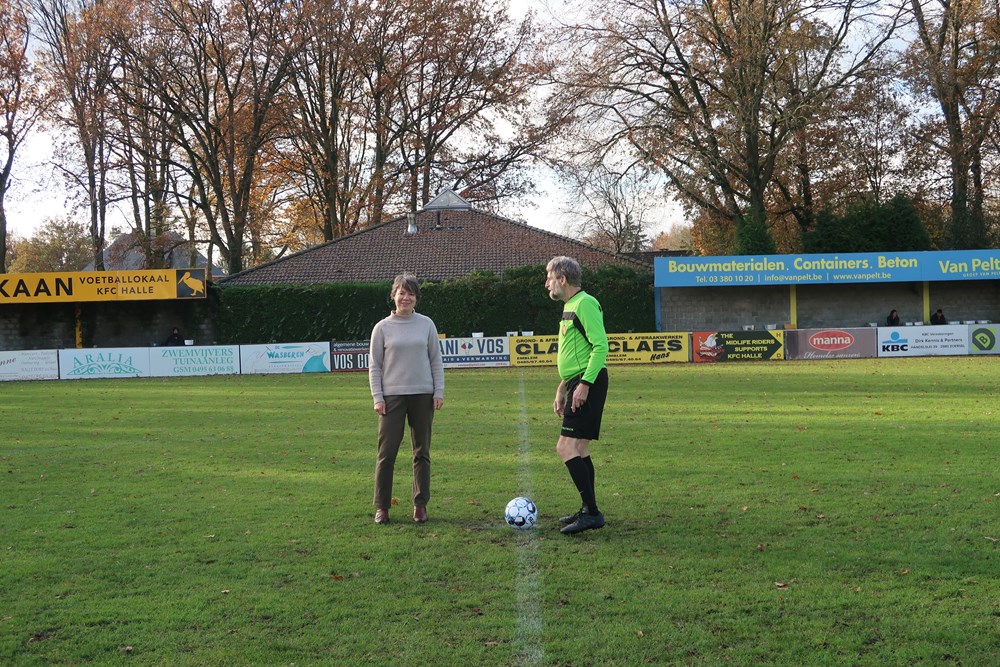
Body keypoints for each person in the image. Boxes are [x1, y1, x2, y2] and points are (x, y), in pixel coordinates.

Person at [368, 274, 444, 525]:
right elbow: (375, 366)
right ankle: (382, 507)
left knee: (422, 452)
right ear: (394, 296)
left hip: (423, 395)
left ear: (416, 298)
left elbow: (435, 360)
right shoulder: (382, 328)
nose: (406, 298)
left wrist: (438, 391)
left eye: (410, 293)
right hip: (391, 398)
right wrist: (378, 397)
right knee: (386, 453)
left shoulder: (426, 324)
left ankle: (420, 505)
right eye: (402, 293)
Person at [545, 256, 609, 535]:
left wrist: (584, 384)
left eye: (549, 278)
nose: (547, 283)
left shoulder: (585, 303)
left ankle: (592, 513)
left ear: (562, 279)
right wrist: (563, 387)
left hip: (587, 384)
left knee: (565, 447)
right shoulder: (571, 305)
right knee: (580, 449)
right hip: (577, 382)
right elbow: (576, 352)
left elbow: (600, 346)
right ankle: (588, 509)